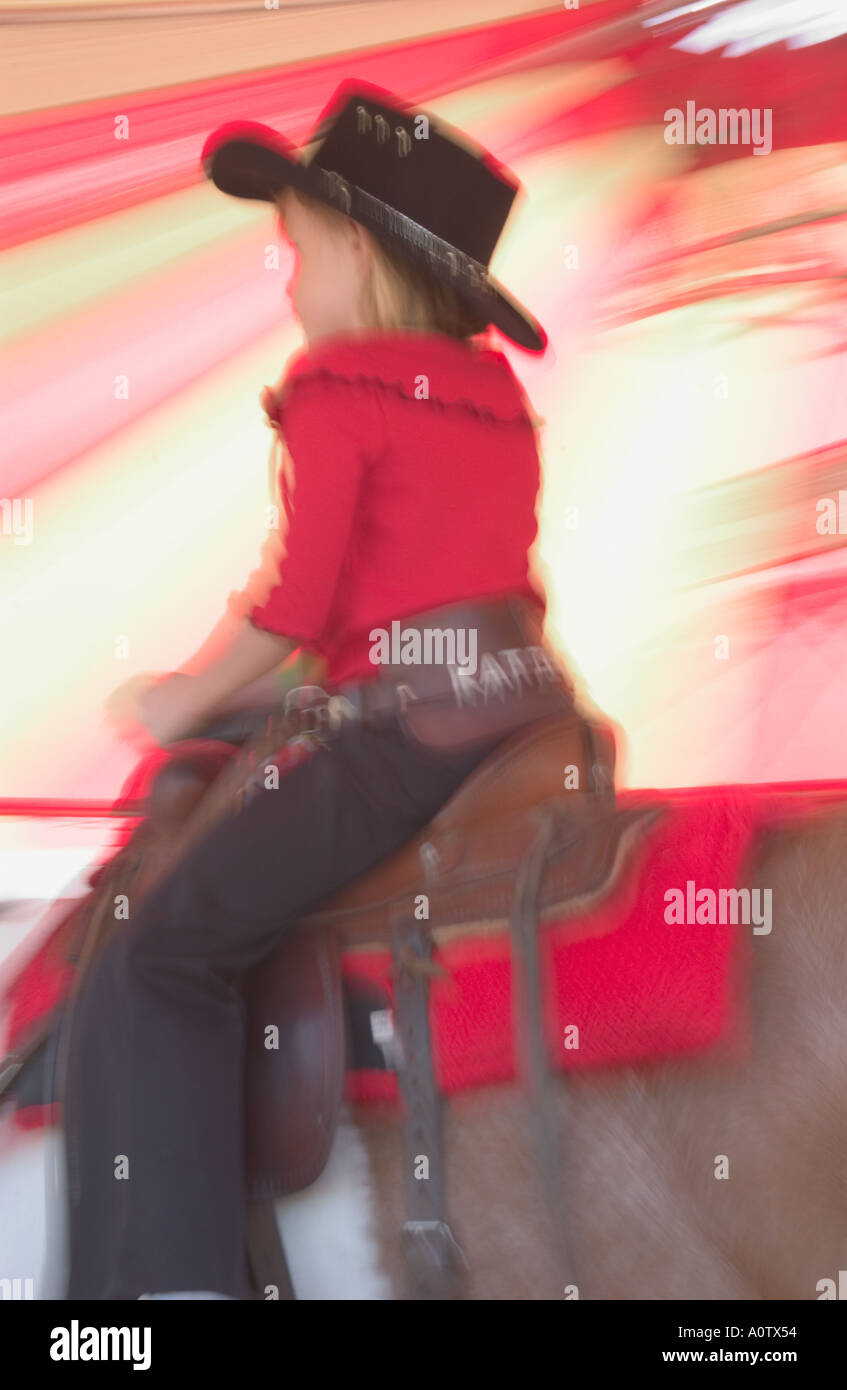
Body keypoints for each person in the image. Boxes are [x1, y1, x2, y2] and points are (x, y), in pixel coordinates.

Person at [60, 78, 575, 1300]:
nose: (286, 281)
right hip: (524, 717)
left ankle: (164, 1295)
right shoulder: (496, 395)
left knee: (157, 956)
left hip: (402, 738)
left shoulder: (337, 395)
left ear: (353, 247)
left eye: (293, 249)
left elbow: (297, 604)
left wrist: (181, 700)